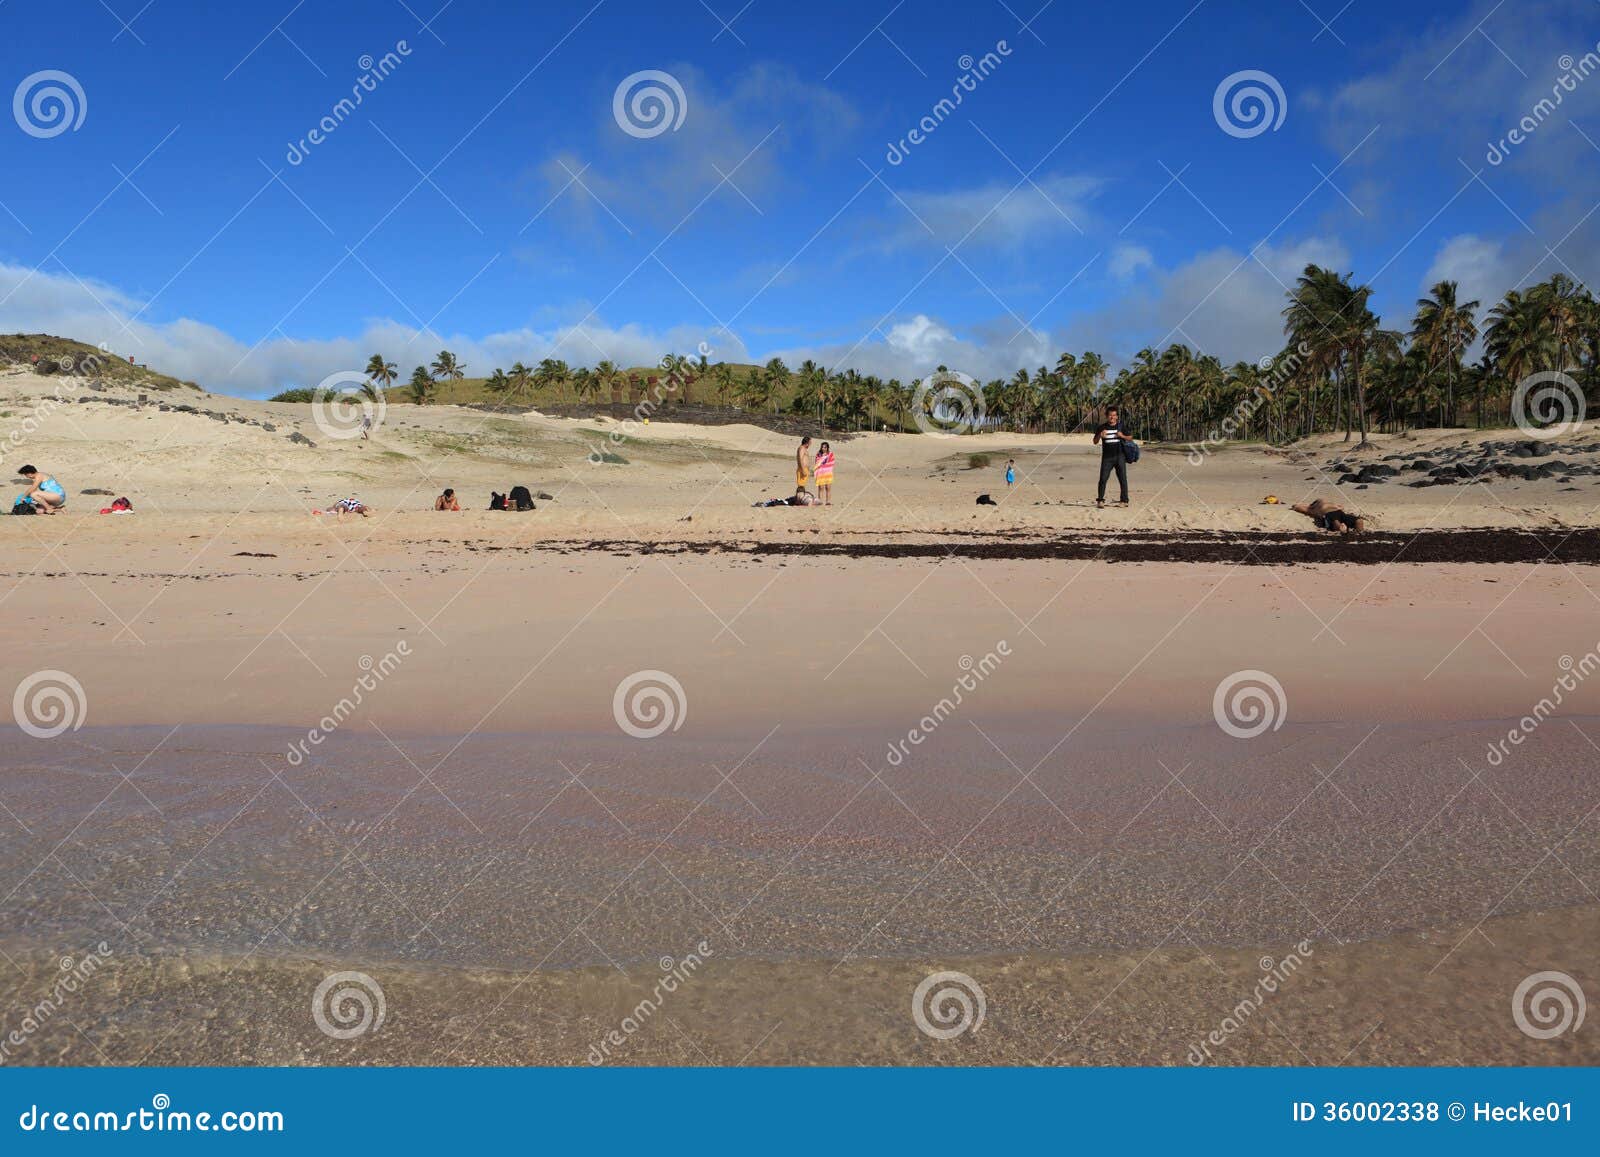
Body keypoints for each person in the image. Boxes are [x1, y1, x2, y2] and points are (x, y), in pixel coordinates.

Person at [1092, 406, 1130, 507]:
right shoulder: (1102, 427)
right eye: (1110, 415)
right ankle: (1100, 500)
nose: (1112, 417)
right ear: (1106, 416)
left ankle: (1124, 501)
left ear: (1117, 416)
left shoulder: (1121, 426)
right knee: (1103, 479)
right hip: (1107, 458)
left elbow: (1130, 438)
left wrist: (1122, 436)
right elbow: (1095, 442)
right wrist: (1100, 435)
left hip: (1120, 457)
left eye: (1114, 415)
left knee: (1123, 479)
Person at [1293, 499, 1366, 534]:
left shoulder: (1313, 507)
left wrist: (1297, 506)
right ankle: (1345, 529)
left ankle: (1357, 531)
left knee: (1359, 521)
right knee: (1336, 522)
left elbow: (1297, 507)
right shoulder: (1312, 508)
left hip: (1339, 512)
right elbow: (1297, 507)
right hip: (1330, 514)